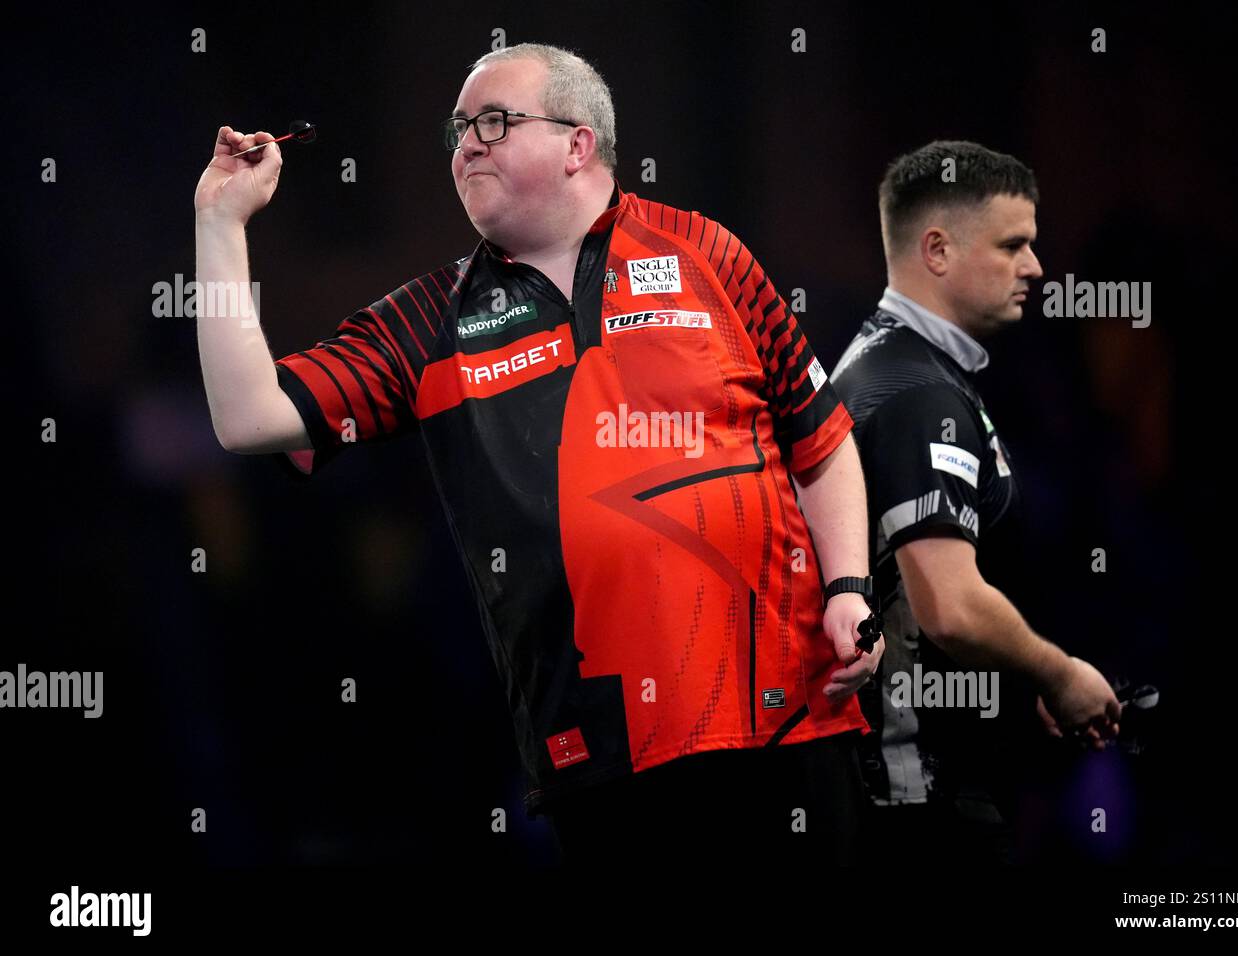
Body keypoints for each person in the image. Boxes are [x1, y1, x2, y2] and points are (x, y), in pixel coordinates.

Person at [193, 42, 884, 863]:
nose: (467, 146)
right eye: (458, 132)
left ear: (578, 143)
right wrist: (219, 223)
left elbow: (823, 439)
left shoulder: (710, 255)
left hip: (790, 720)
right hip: (603, 758)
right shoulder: (430, 321)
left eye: (493, 121)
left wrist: (848, 586)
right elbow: (246, 416)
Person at [828, 140, 1122, 863]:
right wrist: (1058, 672)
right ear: (937, 250)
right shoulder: (916, 393)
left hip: (915, 791)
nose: (1036, 268)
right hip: (918, 810)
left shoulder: (893, 367)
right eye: (1013, 245)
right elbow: (950, 607)